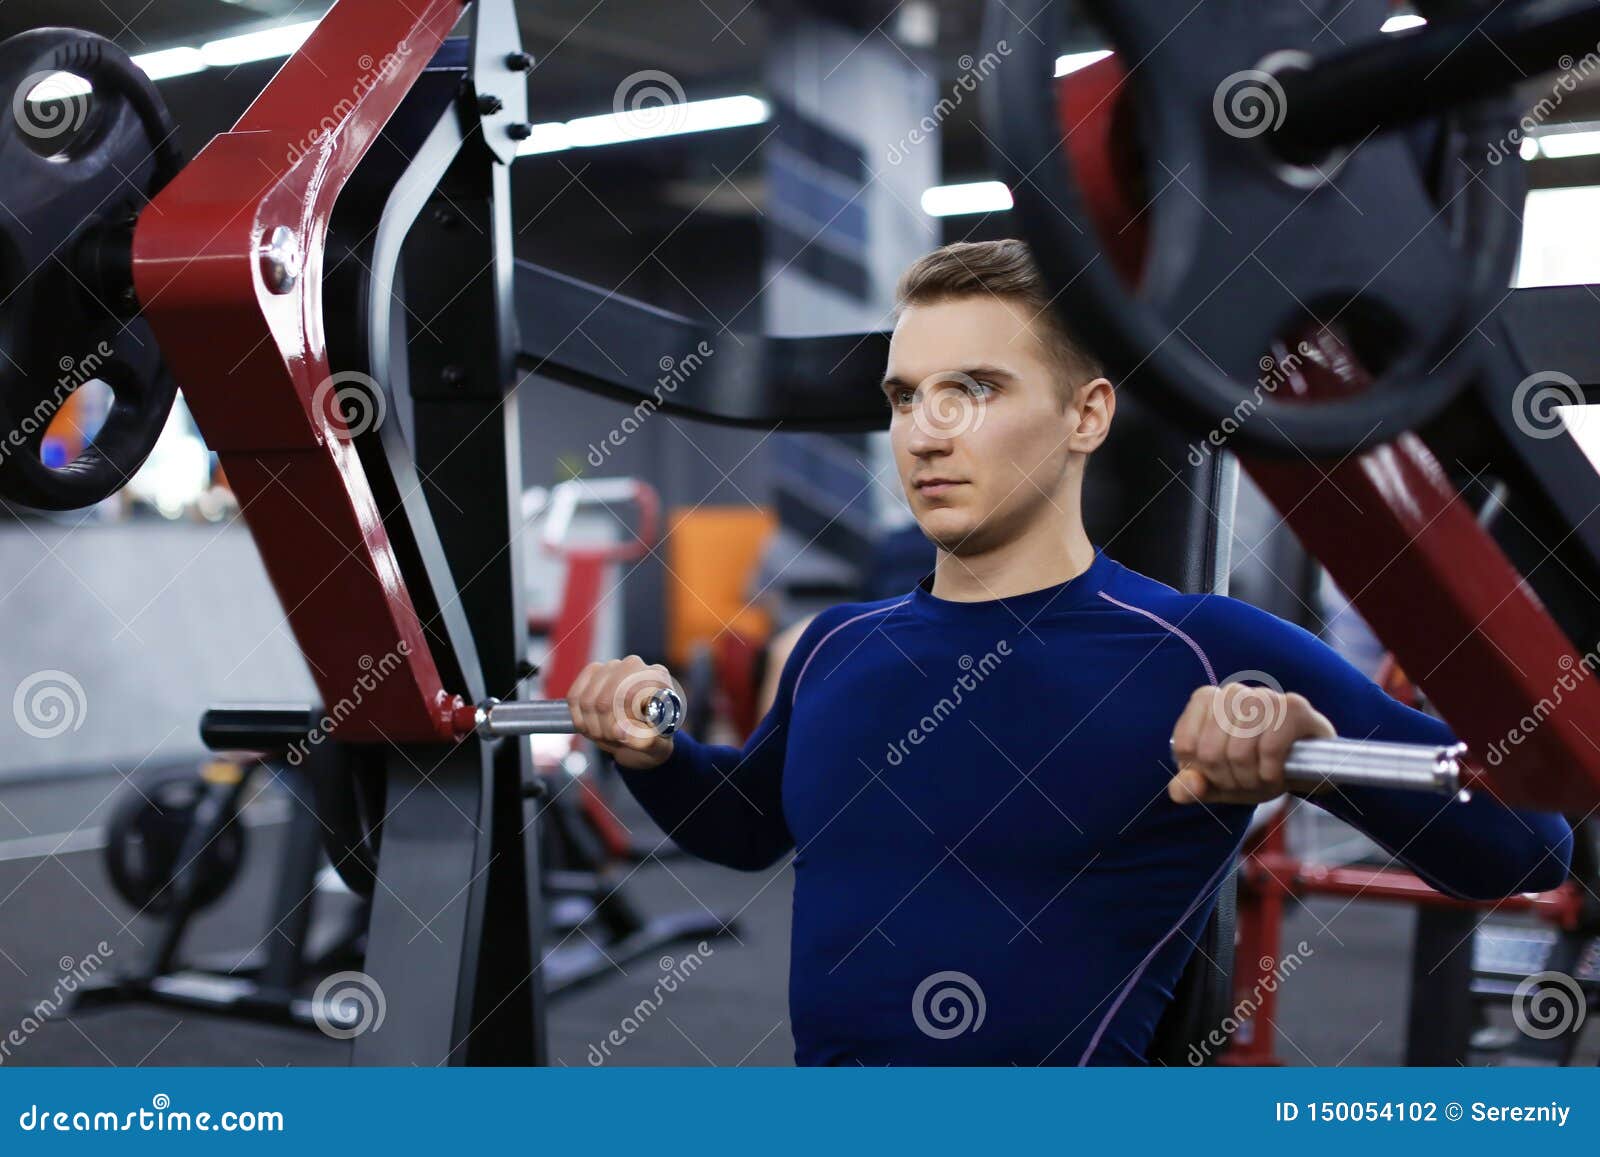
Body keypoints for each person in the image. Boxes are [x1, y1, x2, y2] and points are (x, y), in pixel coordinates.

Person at [567, 239, 1573, 1066]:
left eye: (976, 388)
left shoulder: (1208, 649)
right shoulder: (839, 644)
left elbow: (1524, 849)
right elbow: (748, 825)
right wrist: (652, 751)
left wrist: (1314, 753)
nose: (926, 431)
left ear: (1086, 413)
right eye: (907, 394)